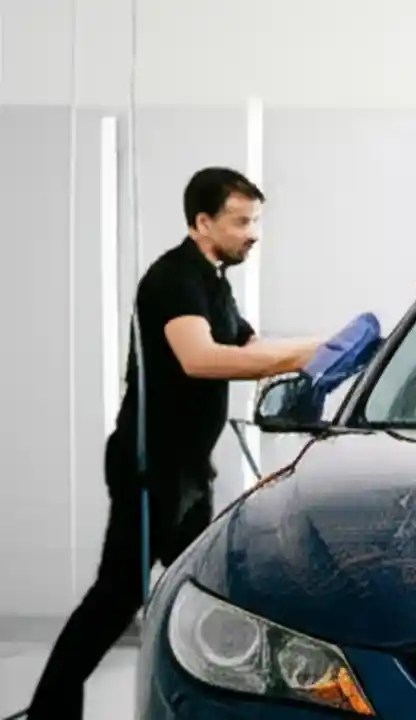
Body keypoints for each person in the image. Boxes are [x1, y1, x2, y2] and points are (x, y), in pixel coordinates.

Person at [26, 167, 325, 718]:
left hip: (187, 465)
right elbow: (201, 359)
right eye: (241, 222)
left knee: (199, 585)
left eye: (255, 221)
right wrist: (302, 354)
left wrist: (329, 350)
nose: (253, 234)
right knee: (122, 594)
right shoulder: (173, 278)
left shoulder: (212, 281)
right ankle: (52, 708)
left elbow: (250, 346)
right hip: (152, 464)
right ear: (202, 222)